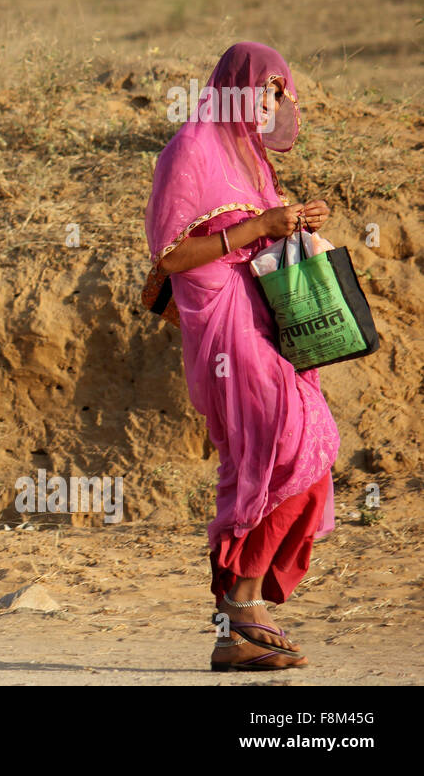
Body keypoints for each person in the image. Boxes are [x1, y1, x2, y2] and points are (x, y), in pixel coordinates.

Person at [144, 42, 338, 671]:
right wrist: (256, 228)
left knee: (308, 450)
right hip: (224, 327)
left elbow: (261, 233)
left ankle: (241, 614)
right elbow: (171, 257)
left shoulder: (249, 158)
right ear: (231, 88)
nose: (268, 104)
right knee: (284, 444)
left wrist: (295, 221)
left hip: (264, 316)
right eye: (262, 90)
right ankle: (239, 611)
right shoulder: (190, 149)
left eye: (278, 95)